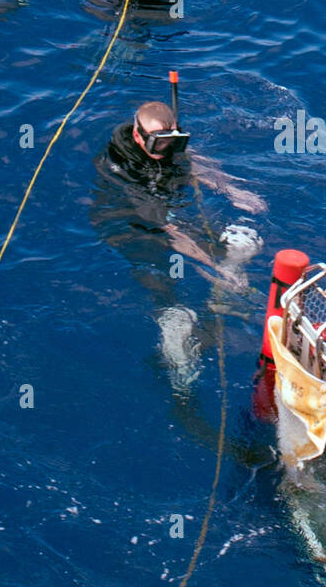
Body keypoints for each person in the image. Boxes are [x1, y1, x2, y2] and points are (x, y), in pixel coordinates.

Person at [92, 88, 266, 392]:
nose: (165, 149)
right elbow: (172, 233)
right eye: (157, 143)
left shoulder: (168, 146)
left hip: (169, 214)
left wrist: (233, 190)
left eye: (170, 141)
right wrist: (212, 265)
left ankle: (222, 287)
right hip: (133, 227)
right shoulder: (123, 169)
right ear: (137, 136)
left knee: (246, 241)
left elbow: (196, 164)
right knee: (169, 297)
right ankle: (177, 357)